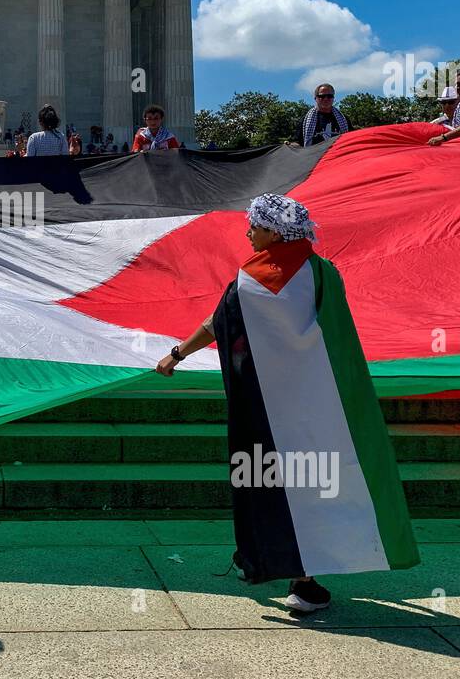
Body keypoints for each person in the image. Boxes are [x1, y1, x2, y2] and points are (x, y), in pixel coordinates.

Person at [151, 193, 418, 612]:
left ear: (274, 231)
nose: (248, 233)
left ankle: (263, 560)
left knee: (261, 480)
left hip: (263, 409)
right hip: (319, 407)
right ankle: (303, 581)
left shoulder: (248, 280)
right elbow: (337, 337)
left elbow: (217, 325)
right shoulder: (324, 274)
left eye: (254, 226)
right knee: (313, 485)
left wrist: (177, 354)